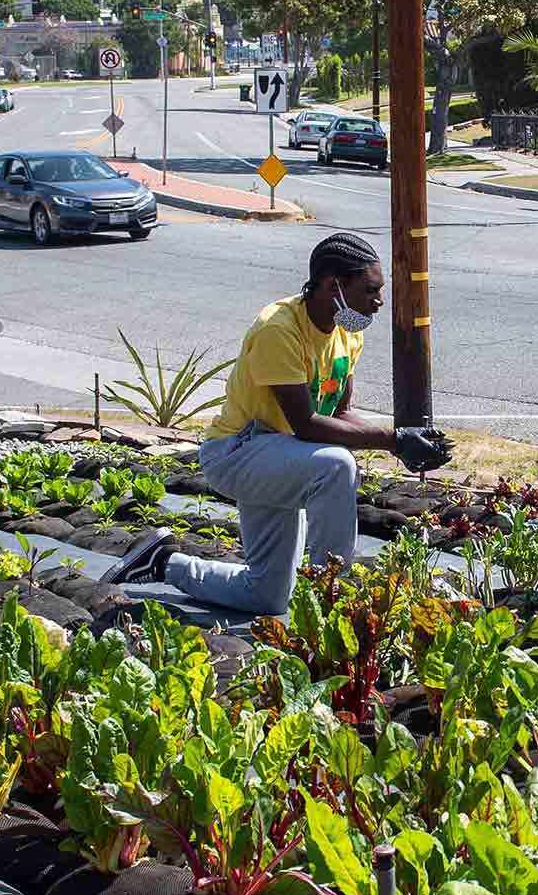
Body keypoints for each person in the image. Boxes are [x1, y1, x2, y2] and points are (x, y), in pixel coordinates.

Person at [109, 232, 450, 613]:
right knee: (337, 466)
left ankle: (163, 563)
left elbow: (337, 413)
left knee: (266, 595)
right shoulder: (279, 328)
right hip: (239, 452)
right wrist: (393, 439)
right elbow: (306, 423)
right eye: (370, 290)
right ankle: (327, 600)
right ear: (332, 285)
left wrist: (407, 441)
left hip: (285, 458)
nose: (379, 301)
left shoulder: (346, 335)